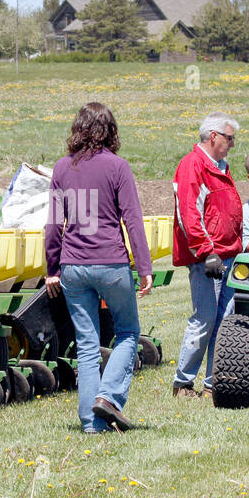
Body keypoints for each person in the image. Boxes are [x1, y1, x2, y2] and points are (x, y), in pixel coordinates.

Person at [44, 103, 153, 433]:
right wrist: (144, 266)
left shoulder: (62, 168)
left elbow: (52, 224)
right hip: (111, 263)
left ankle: (92, 425)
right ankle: (109, 397)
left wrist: (52, 268)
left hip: (73, 267)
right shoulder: (118, 167)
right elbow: (132, 219)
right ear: (111, 131)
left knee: (87, 345)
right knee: (128, 332)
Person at [171, 111, 243, 400]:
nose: (232, 144)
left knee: (225, 321)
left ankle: (214, 384)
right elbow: (188, 213)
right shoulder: (193, 166)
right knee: (204, 319)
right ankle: (183, 383)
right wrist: (206, 251)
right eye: (230, 138)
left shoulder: (220, 166)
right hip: (209, 259)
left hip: (228, 255)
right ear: (214, 136)